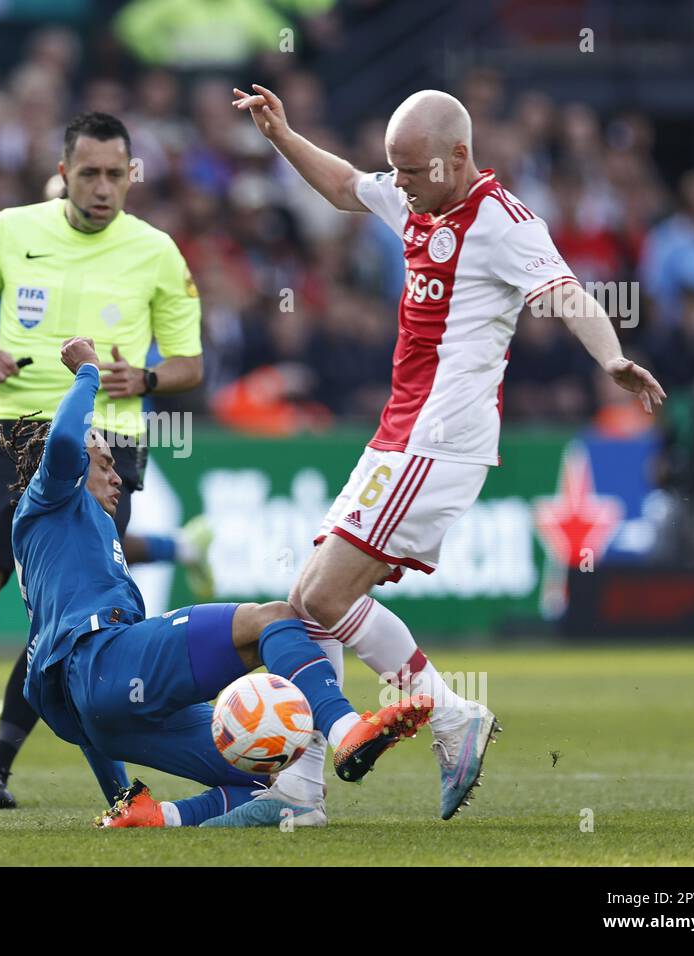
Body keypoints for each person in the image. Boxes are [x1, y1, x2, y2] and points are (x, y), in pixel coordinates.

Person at [232, 85, 666, 818]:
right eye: (393, 170)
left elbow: (567, 294)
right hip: (397, 434)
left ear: (458, 156)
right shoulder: (414, 194)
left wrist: (611, 359)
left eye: (411, 171)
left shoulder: (504, 222)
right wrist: (282, 135)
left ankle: (452, 717)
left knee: (323, 597)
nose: (397, 185)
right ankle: (299, 791)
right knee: (304, 606)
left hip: (440, 439)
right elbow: (344, 185)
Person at [9, 336, 434, 828]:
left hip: (102, 714)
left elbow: (81, 707)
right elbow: (64, 443)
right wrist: (88, 372)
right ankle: (345, 729)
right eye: (104, 463)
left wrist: (120, 795)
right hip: (110, 660)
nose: (117, 477)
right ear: (71, 469)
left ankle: (160, 817)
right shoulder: (52, 497)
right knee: (274, 618)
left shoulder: (57, 548)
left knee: (269, 777)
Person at [0, 113, 203, 808]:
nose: (104, 187)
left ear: (132, 176)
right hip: (12, 433)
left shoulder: (158, 252)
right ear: (64, 170)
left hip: (105, 444)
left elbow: (189, 364)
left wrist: (143, 380)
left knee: (60, 621)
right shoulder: (9, 232)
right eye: (90, 173)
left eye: (117, 174)